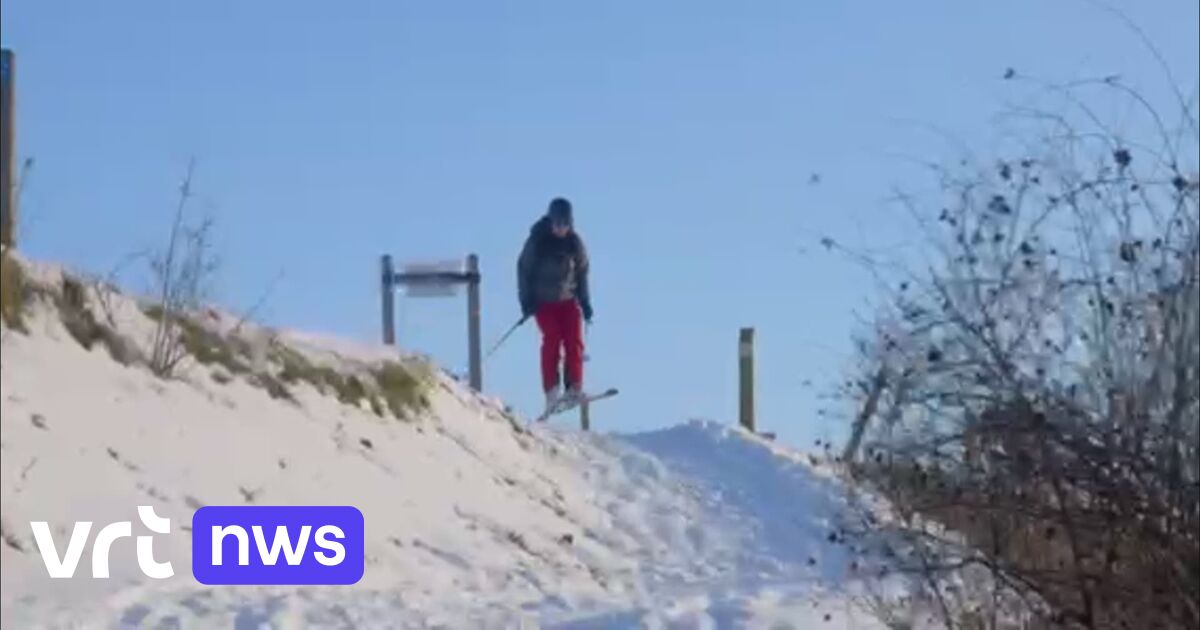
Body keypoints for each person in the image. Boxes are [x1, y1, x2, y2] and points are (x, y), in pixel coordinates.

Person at [517, 197, 593, 412]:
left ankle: (574, 387)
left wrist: (585, 301)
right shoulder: (538, 240)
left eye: (565, 224)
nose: (561, 228)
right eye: (557, 223)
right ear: (551, 222)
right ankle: (552, 391)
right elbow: (523, 269)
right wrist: (526, 301)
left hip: (568, 301)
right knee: (552, 339)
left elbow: (582, 272)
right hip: (544, 302)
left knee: (574, 341)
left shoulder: (574, 244)